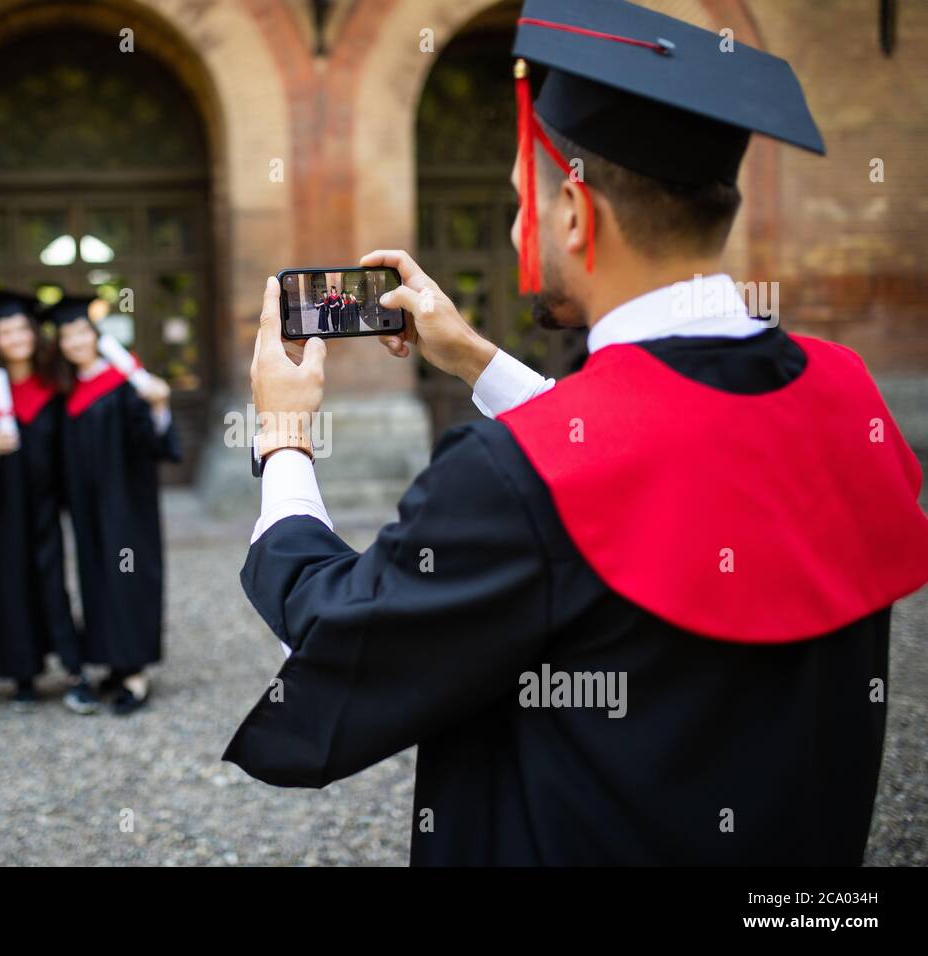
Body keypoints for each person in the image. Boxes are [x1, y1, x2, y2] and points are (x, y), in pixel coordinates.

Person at [224, 0, 928, 865]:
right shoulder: (846, 395)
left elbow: (339, 633)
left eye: (525, 203)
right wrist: (478, 361)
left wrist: (285, 437)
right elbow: (657, 445)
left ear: (573, 214)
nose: (521, 229)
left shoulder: (506, 478)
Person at [43, 295, 181, 715]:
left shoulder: (125, 383)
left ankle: (135, 673)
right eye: (66, 336)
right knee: (97, 578)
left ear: (96, 335)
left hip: (127, 503)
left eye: (81, 332)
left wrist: (159, 406)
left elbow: (156, 441)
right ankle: (114, 662)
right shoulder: (66, 390)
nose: (74, 342)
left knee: (129, 577)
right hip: (86, 509)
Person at [0, 291, 79, 705]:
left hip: (43, 505)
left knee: (50, 579)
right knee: (9, 583)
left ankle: (71, 666)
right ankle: (22, 673)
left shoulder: (55, 387)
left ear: (34, 333)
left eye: (22, 328)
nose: (15, 338)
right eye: (5, 331)